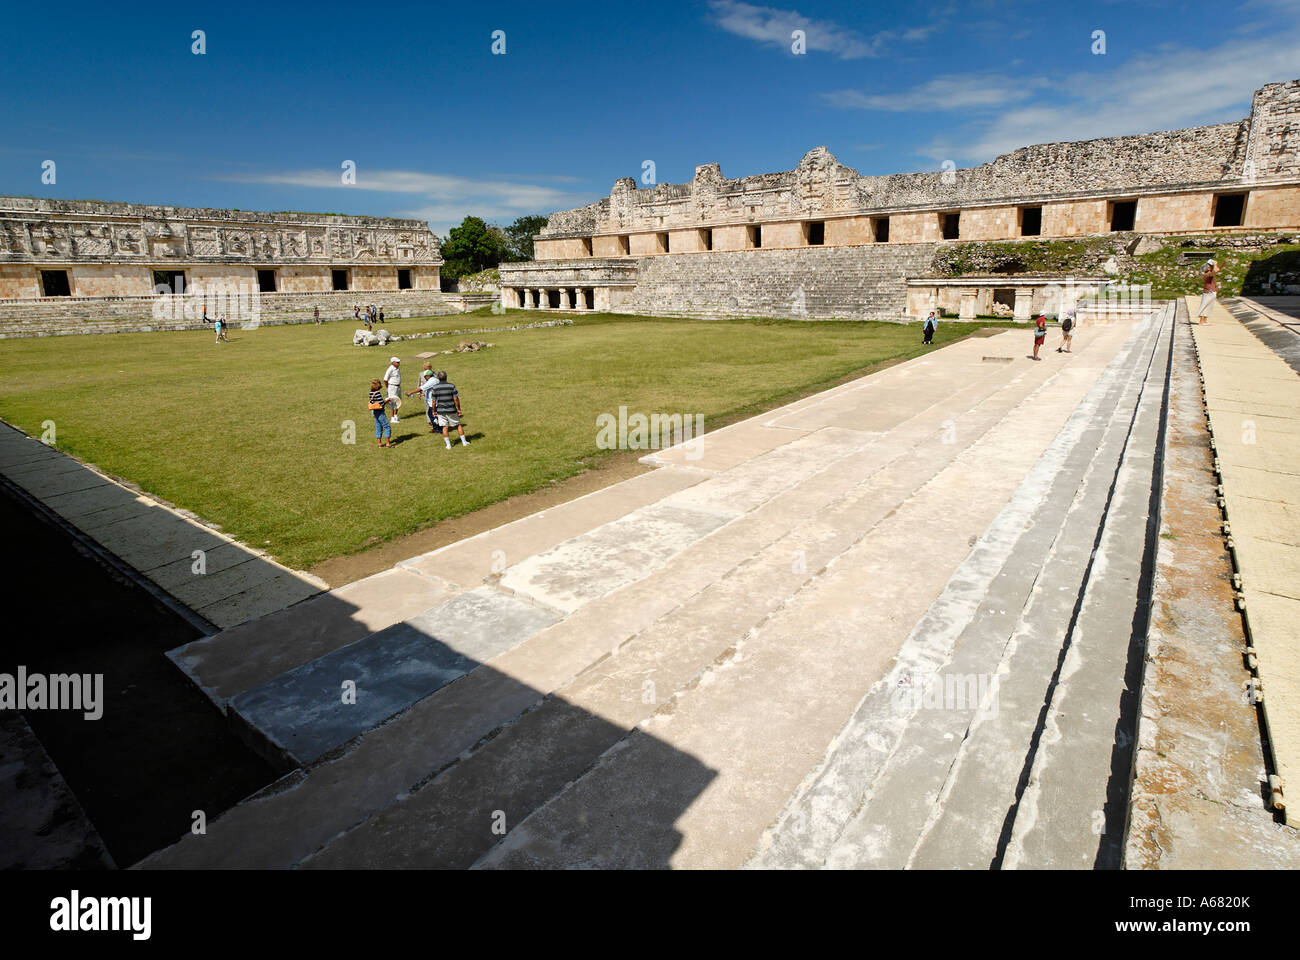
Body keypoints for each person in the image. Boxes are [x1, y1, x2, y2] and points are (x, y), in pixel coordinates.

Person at [430, 370, 468, 449]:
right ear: (446, 377)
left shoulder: (435, 388)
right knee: (458, 425)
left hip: (440, 410)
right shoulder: (451, 386)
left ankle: (448, 445)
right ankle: (464, 442)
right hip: (451, 409)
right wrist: (459, 409)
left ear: (438, 378)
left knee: (445, 427)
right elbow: (456, 399)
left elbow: (433, 402)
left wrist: (433, 411)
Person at [405, 364, 439, 433]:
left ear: (428, 376)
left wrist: (410, 393)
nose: (424, 378)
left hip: (434, 402)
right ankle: (436, 428)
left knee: (434, 415)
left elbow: (421, 388)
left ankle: (439, 429)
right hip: (432, 402)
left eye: (425, 377)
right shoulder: (434, 379)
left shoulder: (432, 381)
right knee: (430, 414)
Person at [368, 378, 391, 448]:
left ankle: (379, 443)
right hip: (380, 412)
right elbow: (381, 403)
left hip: (374, 412)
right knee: (387, 427)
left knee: (378, 427)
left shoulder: (371, 393)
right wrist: (388, 400)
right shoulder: (377, 393)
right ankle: (388, 444)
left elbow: (372, 402)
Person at [1197, 259, 1220, 324]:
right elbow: (1215, 271)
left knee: (1209, 307)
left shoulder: (1209, 273)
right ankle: (1201, 321)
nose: (1210, 267)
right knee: (1205, 306)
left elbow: (1217, 269)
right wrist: (1215, 264)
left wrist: (1224, 263)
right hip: (1208, 292)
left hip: (1211, 292)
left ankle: (1204, 321)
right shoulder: (1207, 274)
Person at [383, 356, 402, 422]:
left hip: (398, 386)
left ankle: (395, 415)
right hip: (392, 387)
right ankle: (392, 417)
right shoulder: (390, 369)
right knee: (392, 402)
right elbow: (385, 379)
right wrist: (387, 387)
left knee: (398, 400)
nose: (398, 363)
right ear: (393, 363)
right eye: (397, 362)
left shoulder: (398, 368)